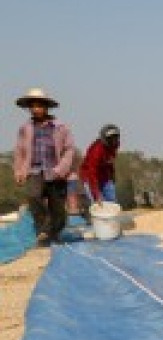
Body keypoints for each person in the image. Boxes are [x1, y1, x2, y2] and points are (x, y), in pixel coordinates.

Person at [13, 88, 76, 246]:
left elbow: (69, 150)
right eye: (33, 106)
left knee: (58, 210)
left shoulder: (60, 127)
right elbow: (20, 151)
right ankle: (43, 229)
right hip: (34, 170)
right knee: (33, 196)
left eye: (39, 106)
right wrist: (19, 171)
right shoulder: (25, 128)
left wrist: (61, 169)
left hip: (55, 171)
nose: (36, 109)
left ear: (46, 107)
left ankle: (53, 235)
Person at [80, 124, 121, 207]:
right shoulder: (97, 150)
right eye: (111, 138)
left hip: (105, 178)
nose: (114, 140)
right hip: (90, 178)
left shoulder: (115, 145)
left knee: (113, 203)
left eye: (115, 137)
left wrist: (112, 178)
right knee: (98, 205)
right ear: (105, 139)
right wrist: (96, 195)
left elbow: (110, 162)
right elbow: (92, 173)